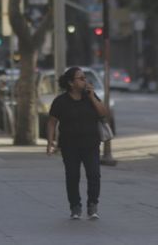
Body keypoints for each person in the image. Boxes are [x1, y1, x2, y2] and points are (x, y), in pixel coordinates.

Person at [46, 67, 109, 220]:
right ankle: (75, 207)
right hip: (69, 146)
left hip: (91, 144)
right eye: (80, 78)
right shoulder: (61, 101)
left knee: (94, 174)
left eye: (84, 78)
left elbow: (103, 113)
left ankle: (92, 205)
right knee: (72, 176)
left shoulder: (90, 97)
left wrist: (92, 97)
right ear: (71, 83)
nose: (84, 81)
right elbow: (52, 122)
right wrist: (50, 142)